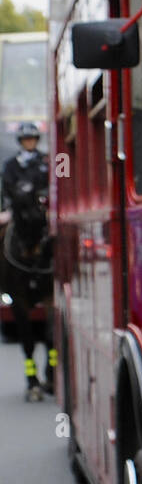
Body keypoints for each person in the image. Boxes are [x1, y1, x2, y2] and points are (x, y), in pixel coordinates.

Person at [1, 122, 53, 400]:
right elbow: (9, 189)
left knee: (59, 238)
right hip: (18, 215)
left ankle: (65, 274)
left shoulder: (48, 161)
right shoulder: (10, 164)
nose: (30, 143)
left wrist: (37, 194)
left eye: (34, 139)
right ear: (21, 141)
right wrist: (23, 194)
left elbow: (55, 183)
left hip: (42, 217)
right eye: (26, 139)